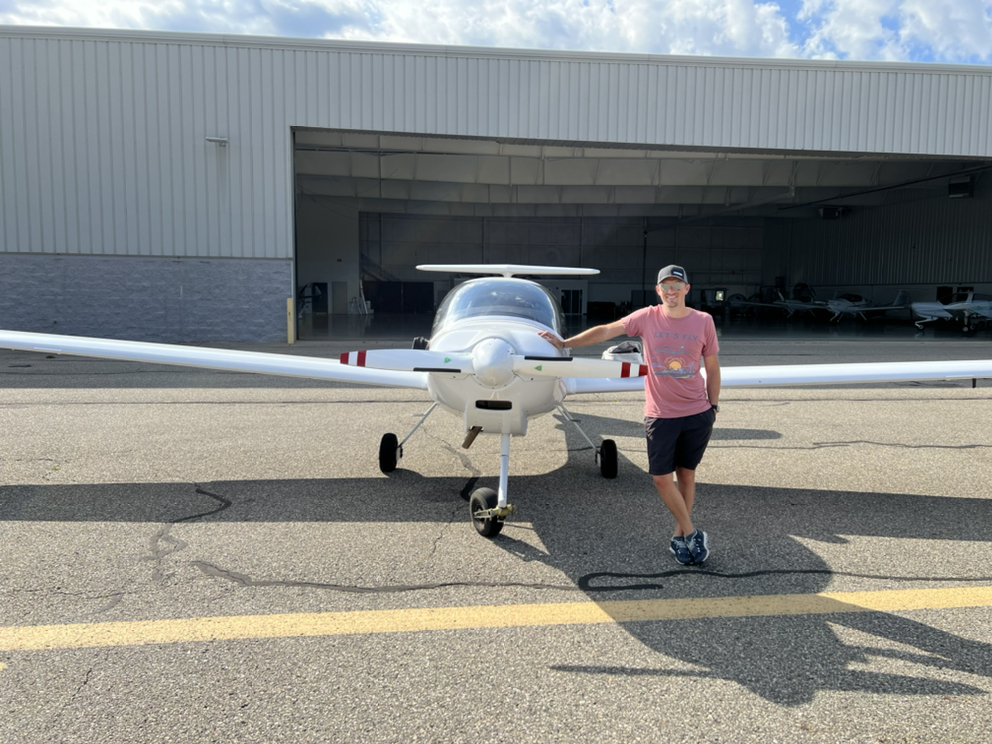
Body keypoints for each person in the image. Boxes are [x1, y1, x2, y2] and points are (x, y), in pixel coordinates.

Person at [539, 265, 721, 565]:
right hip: (661, 414)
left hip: (698, 412)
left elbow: (712, 368)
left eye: (677, 285)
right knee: (662, 479)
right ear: (658, 290)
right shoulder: (646, 317)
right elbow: (607, 331)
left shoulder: (704, 321)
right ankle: (692, 533)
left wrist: (713, 407)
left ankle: (680, 537)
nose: (671, 291)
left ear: (687, 289)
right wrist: (564, 343)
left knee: (687, 475)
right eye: (666, 286)